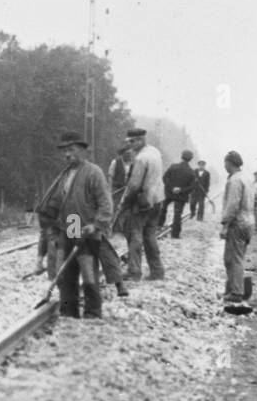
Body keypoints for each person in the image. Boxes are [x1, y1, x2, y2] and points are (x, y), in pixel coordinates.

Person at [41, 131, 112, 318]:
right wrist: (49, 220)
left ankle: (93, 312)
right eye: (64, 151)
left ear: (82, 151)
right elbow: (57, 200)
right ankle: (69, 311)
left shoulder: (93, 172)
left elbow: (105, 203)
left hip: (87, 228)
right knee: (67, 272)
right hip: (71, 225)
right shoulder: (65, 175)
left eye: (71, 150)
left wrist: (97, 225)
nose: (67, 155)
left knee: (88, 272)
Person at [120, 126, 165, 279]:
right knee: (150, 236)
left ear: (140, 140)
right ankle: (157, 271)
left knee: (135, 235)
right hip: (157, 200)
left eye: (132, 141)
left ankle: (134, 271)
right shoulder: (154, 152)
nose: (129, 145)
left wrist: (124, 202)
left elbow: (133, 186)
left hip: (142, 202)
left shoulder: (140, 159)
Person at [220, 151, 254, 314]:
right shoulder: (246, 177)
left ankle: (236, 293)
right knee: (231, 258)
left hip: (237, 223)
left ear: (230, 163)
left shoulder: (234, 180)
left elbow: (233, 204)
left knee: (234, 258)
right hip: (248, 222)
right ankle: (234, 289)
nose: (224, 165)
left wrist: (225, 224)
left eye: (225, 162)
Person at [162, 149, 196, 239]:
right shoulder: (191, 172)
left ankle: (159, 224)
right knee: (177, 214)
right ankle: (175, 234)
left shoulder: (173, 166)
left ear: (181, 156)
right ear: (191, 159)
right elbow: (192, 187)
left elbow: (165, 178)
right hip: (181, 196)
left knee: (163, 207)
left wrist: (171, 187)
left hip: (170, 193)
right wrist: (180, 189)